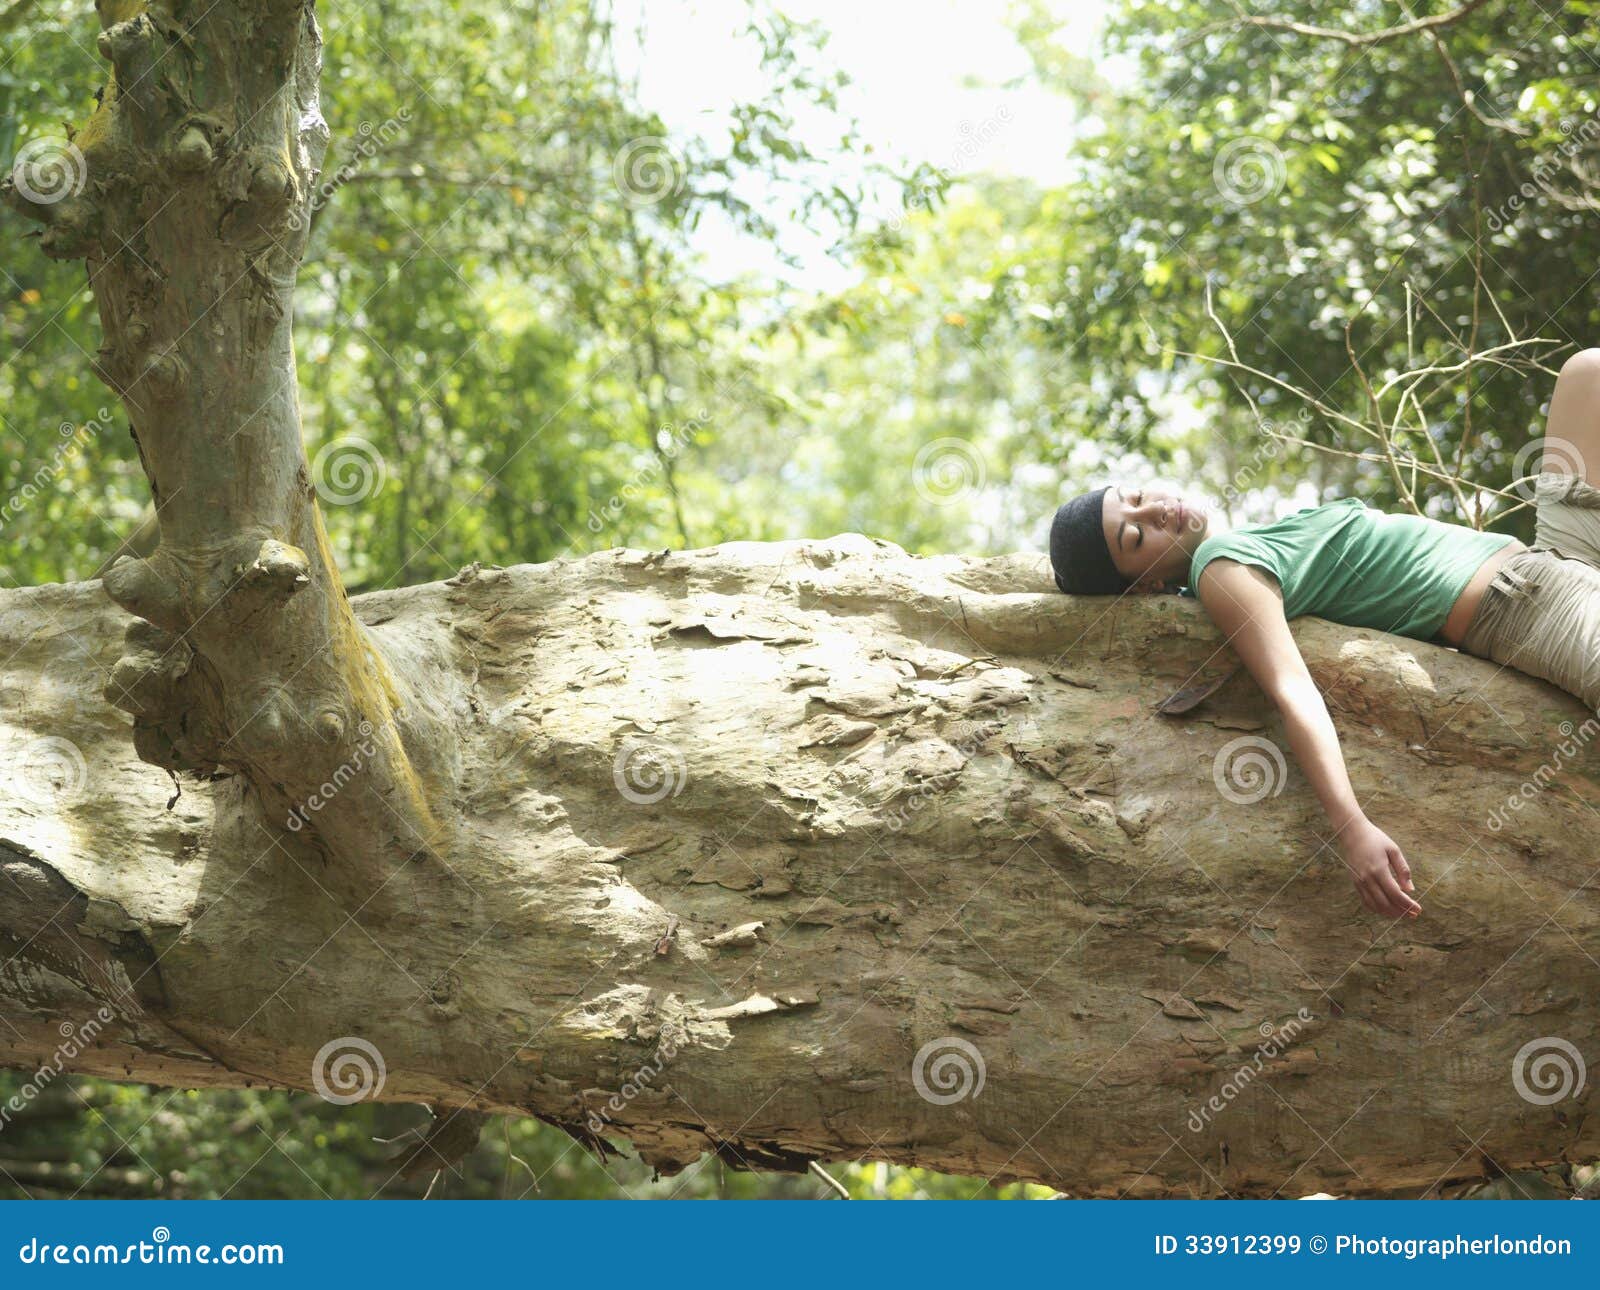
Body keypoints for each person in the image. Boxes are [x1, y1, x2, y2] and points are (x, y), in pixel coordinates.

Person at [1045, 348, 1600, 922]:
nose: (1154, 512)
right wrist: (1351, 826)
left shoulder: (1251, 538)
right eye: (1136, 538)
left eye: (1136, 499)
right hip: (1527, 606)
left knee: (1587, 372)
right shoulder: (1218, 568)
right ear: (1146, 587)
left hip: (1557, 551)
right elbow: (1293, 691)